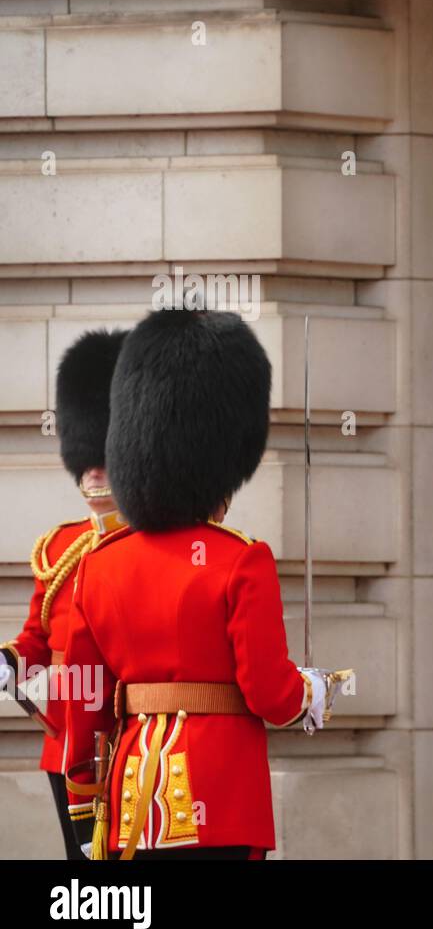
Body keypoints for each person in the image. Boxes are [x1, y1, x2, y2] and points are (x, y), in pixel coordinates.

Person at [60, 307, 343, 860]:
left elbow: (83, 699)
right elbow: (270, 692)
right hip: (221, 797)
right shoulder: (241, 560)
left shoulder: (98, 565)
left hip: (131, 801)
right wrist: (314, 691)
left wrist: (85, 799)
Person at [0, 330, 128, 859]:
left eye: (106, 455)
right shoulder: (60, 546)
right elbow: (36, 639)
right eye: (87, 457)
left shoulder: (153, 544)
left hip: (127, 739)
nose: (94, 470)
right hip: (66, 744)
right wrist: (9, 665)